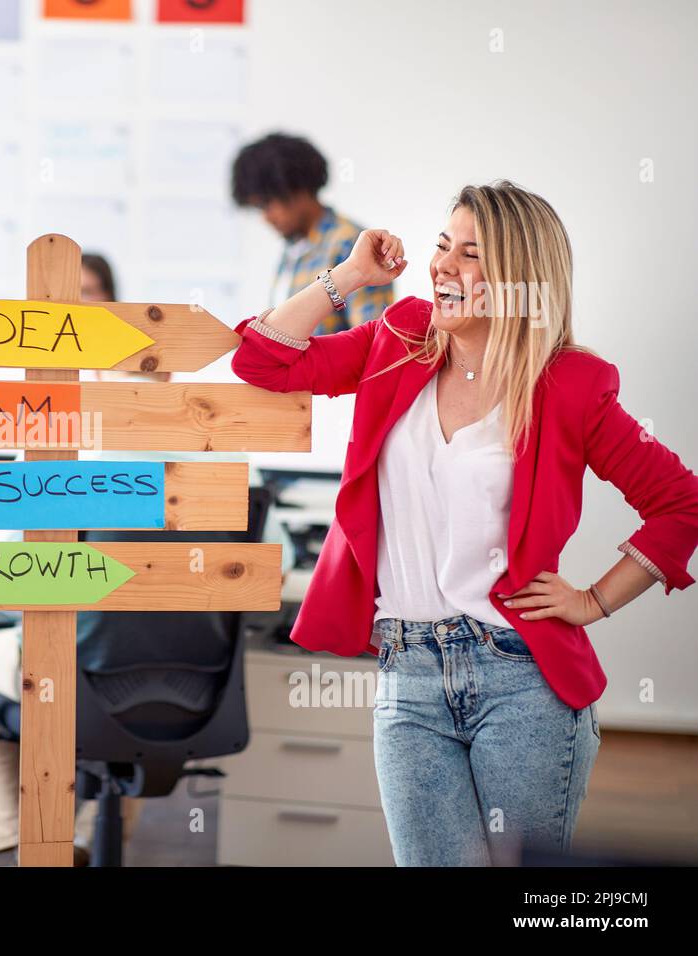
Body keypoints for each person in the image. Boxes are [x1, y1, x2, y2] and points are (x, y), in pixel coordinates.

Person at [231, 180, 698, 866]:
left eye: (471, 254)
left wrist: (593, 600)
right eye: (443, 244)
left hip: (520, 679)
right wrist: (350, 275)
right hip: (407, 673)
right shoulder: (399, 338)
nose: (444, 264)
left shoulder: (570, 385)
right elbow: (262, 360)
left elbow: (681, 505)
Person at [0, 252, 148, 866]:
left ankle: (24, 835)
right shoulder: (162, 406)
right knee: (135, 686)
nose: (75, 313)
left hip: (75, 646)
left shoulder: (25, 415)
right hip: (156, 655)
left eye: (87, 298)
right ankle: (80, 837)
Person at [231, 132, 394, 334]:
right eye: (258, 208)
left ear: (299, 187)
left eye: (267, 204)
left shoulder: (350, 244)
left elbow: (373, 341)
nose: (266, 217)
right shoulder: (293, 249)